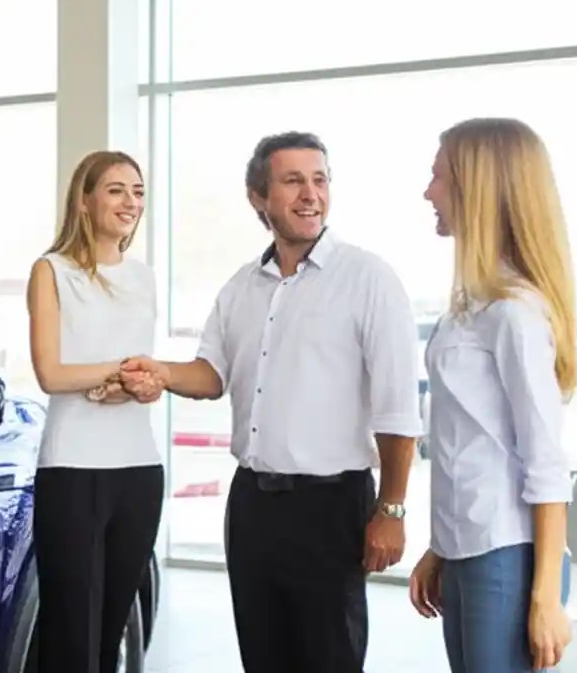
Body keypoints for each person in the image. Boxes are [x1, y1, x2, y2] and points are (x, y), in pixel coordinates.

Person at [121, 132, 422, 672]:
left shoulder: (368, 279)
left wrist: (392, 509)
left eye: (320, 179)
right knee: (262, 657)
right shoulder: (241, 287)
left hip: (332, 507)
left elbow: (398, 406)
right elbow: (211, 373)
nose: (311, 194)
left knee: (329, 658)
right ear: (258, 197)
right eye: (293, 181)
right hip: (254, 507)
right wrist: (161, 372)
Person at [407, 117, 576, 673]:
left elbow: (546, 464)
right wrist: (441, 547)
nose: (428, 192)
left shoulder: (514, 314)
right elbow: (471, 444)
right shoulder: (468, 308)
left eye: (439, 178)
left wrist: (546, 599)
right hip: (470, 551)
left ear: (477, 189)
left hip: (506, 558)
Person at [25, 149, 164, 673]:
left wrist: (138, 384)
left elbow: (145, 374)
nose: (130, 202)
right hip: (73, 470)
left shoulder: (144, 277)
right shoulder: (52, 271)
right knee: (71, 634)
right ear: (84, 201)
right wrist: (120, 372)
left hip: (138, 469)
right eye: (115, 190)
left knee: (110, 637)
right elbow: (52, 374)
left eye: (138, 191)